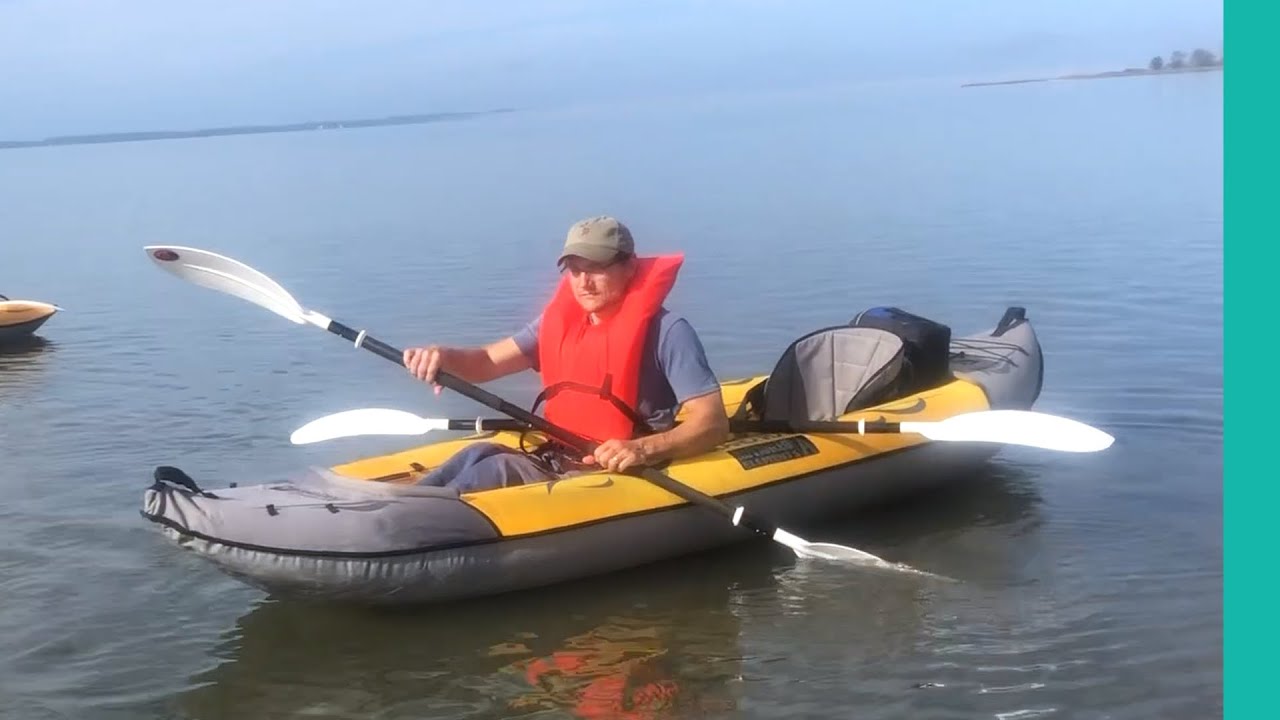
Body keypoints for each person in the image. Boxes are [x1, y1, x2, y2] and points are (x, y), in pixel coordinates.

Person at [401, 215, 730, 492]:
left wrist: (642, 449)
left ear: (630, 266)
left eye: (596, 268)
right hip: (557, 457)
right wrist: (443, 357)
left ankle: (405, 523)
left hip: (614, 473)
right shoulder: (557, 324)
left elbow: (712, 423)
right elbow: (487, 362)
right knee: (478, 455)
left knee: (489, 475)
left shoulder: (669, 332)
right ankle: (401, 510)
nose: (583, 282)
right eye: (574, 270)